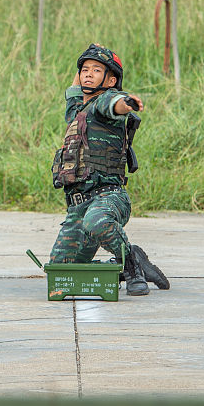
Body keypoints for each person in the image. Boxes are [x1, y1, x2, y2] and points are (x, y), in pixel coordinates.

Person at [48, 43, 170, 296]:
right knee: (61, 270)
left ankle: (132, 267)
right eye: (84, 70)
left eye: (96, 70)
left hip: (108, 198)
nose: (88, 74)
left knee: (97, 221)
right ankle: (129, 255)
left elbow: (116, 103)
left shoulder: (105, 101)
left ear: (111, 80)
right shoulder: (76, 110)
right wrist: (90, 52)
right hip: (79, 207)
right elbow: (75, 85)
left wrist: (127, 101)